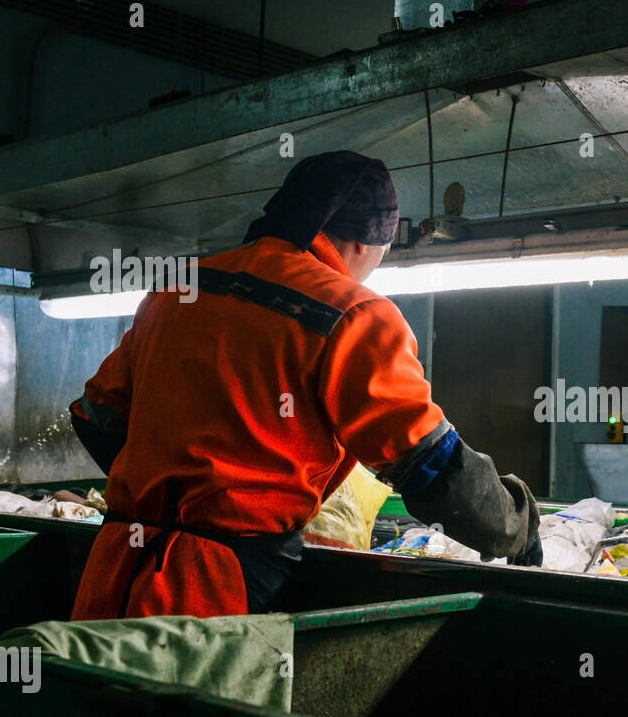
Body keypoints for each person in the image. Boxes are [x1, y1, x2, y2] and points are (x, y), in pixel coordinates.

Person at [68, 150, 542, 620]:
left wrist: (165, 489)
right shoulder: (355, 314)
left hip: (113, 568)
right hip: (214, 586)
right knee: (180, 698)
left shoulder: (175, 291)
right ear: (364, 242)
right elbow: (430, 467)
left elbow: (97, 414)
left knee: (89, 692)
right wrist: (513, 525)